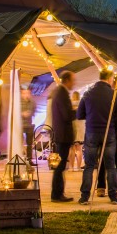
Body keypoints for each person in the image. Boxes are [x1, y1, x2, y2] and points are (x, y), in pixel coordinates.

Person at [76, 67, 117, 205]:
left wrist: (91, 116)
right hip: (108, 133)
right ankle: (114, 196)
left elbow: (79, 114)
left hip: (91, 132)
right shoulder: (115, 95)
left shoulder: (87, 93)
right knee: (110, 166)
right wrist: (113, 127)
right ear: (110, 78)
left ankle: (84, 197)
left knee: (89, 166)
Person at [46, 71, 76, 202]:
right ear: (67, 80)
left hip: (61, 134)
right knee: (60, 166)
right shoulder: (62, 93)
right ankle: (57, 194)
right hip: (63, 135)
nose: (74, 83)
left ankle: (58, 193)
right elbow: (66, 115)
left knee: (60, 165)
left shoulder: (58, 92)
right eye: (73, 80)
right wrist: (77, 111)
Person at [70, 91, 84, 170]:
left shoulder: (70, 105)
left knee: (72, 148)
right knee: (79, 149)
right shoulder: (82, 104)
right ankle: (78, 167)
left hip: (72, 128)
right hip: (81, 129)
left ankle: (71, 167)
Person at [20, 86, 36, 155]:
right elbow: (15, 112)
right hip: (20, 125)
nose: (26, 94)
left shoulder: (32, 102)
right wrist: (22, 114)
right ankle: (21, 156)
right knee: (19, 142)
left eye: (28, 93)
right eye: (24, 93)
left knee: (30, 143)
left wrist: (30, 113)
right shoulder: (18, 102)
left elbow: (34, 110)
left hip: (29, 124)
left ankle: (29, 159)